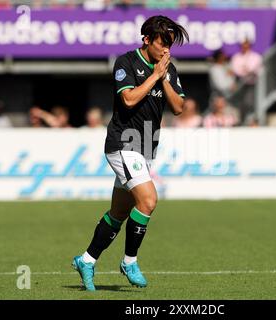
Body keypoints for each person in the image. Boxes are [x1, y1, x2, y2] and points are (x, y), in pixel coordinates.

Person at [72, 15, 189, 291]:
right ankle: (129, 261)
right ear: (147, 39)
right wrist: (155, 76)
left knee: (119, 213)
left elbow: (179, 107)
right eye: (162, 43)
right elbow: (128, 99)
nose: (166, 50)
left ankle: (86, 260)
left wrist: (164, 78)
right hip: (123, 144)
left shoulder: (167, 68)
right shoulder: (126, 62)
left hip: (146, 147)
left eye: (170, 44)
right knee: (148, 201)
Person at [230, 39, 262, 123]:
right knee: (238, 105)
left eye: (246, 45)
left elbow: (256, 69)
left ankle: (250, 121)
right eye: (243, 46)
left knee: (250, 104)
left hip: (252, 85)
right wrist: (246, 70)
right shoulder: (236, 57)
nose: (244, 47)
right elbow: (235, 70)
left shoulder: (256, 56)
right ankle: (241, 121)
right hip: (239, 85)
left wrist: (246, 70)